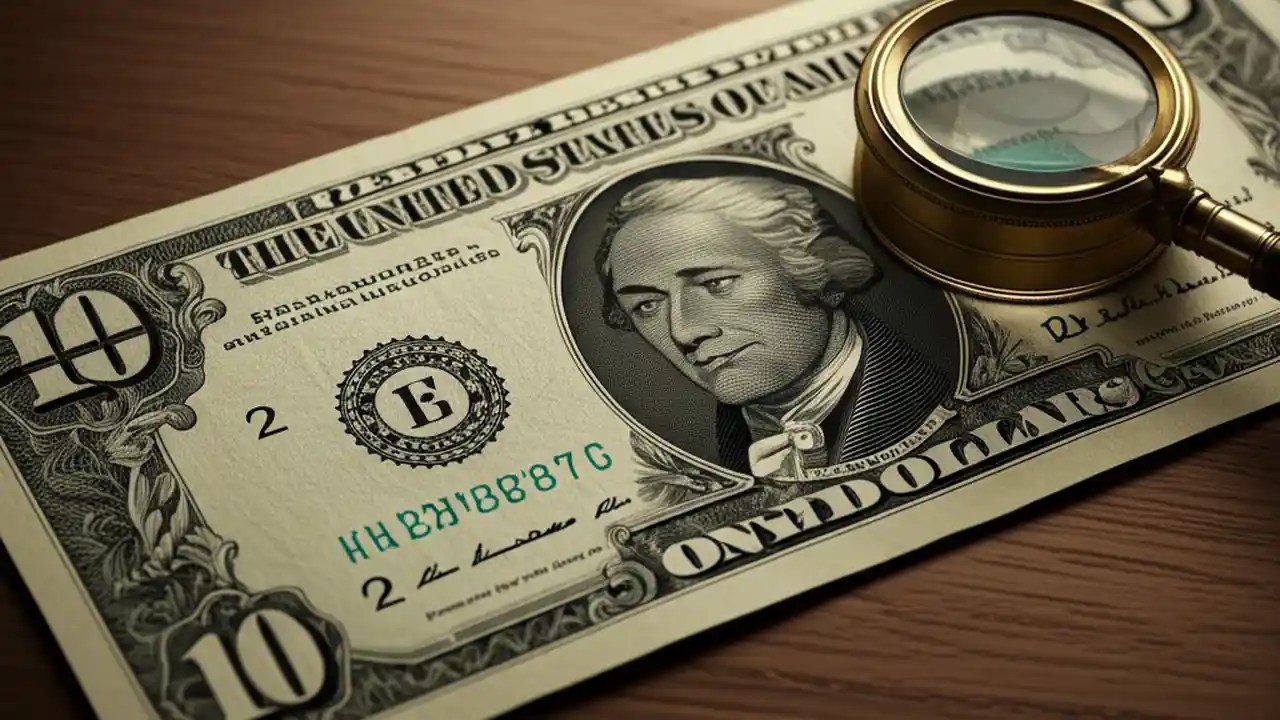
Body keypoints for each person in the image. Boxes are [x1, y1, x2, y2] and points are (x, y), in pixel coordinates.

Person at [595, 175, 953, 478]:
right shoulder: (729, 453)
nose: (683, 331)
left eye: (716, 283)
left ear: (816, 269)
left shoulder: (936, 400)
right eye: (646, 305)